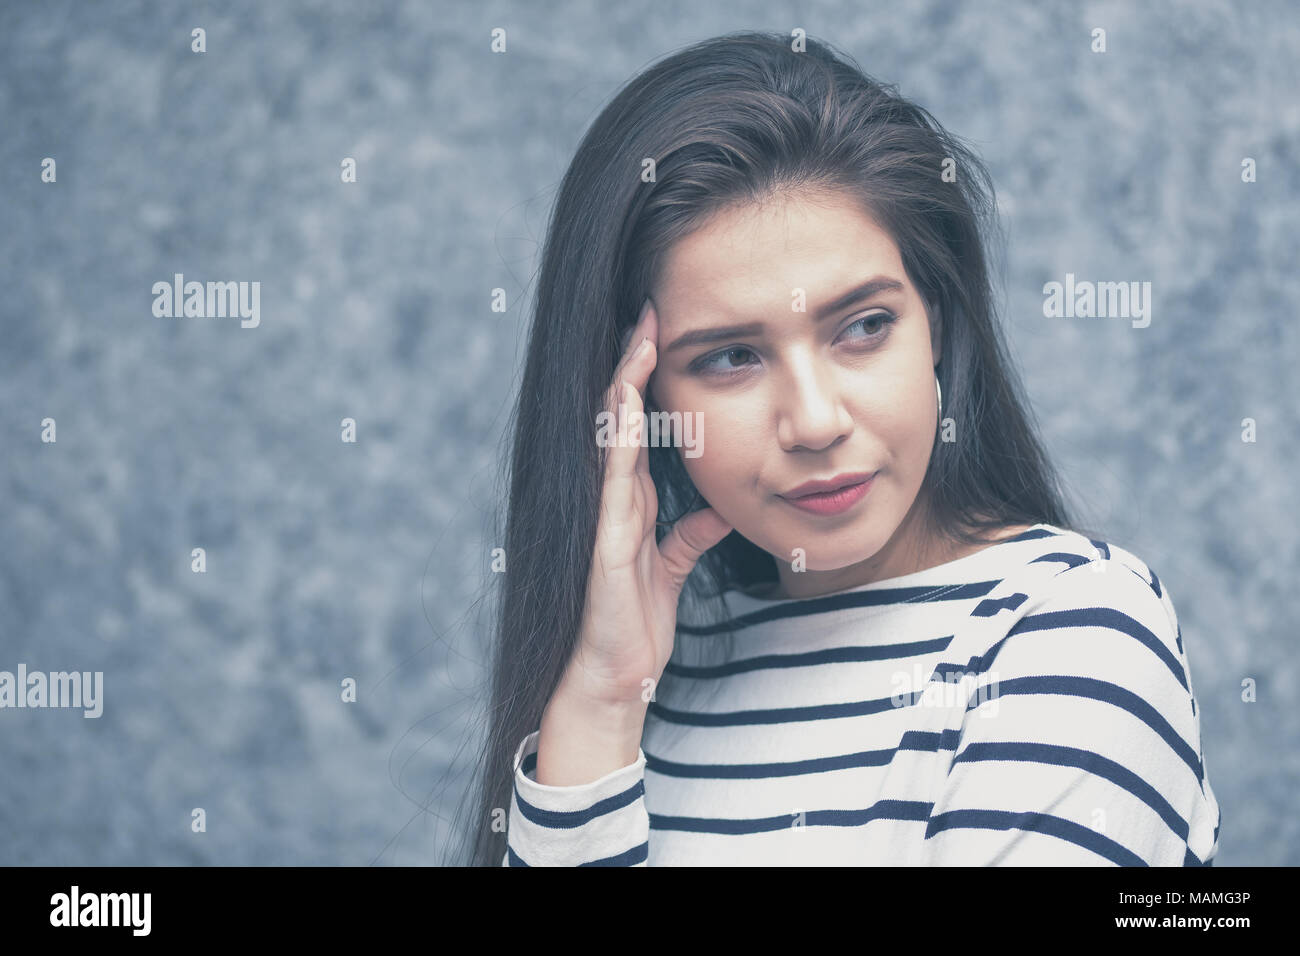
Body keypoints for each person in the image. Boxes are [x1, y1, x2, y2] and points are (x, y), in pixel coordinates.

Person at [459, 30, 1220, 866]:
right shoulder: (641, 685)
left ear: (937, 323)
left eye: (863, 326)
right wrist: (601, 707)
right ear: (639, 399)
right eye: (730, 357)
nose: (815, 421)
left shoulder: (1071, 631)